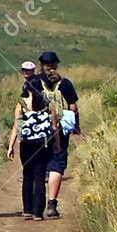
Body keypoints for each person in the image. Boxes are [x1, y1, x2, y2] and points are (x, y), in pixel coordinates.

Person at [6, 60, 57, 220]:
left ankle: (27, 209)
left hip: (26, 144)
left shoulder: (21, 104)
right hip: (43, 143)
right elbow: (54, 127)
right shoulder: (49, 104)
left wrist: (11, 146)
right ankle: (37, 212)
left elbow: (17, 126)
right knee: (40, 176)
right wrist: (57, 145)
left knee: (27, 175)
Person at [37, 49, 80, 219]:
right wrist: (76, 126)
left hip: (38, 129)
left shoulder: (34, 82)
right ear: (56, 65)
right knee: (57, 164)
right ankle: (52, 204)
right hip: (60, 129)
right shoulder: (65, 84)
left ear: (42, 65)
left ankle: (36, 205)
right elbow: (73, 108)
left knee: (39, 164)